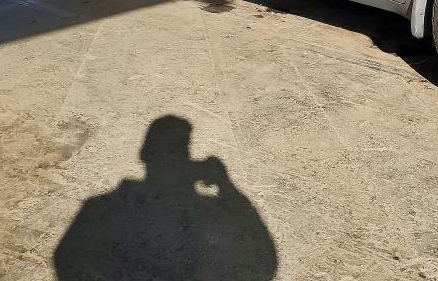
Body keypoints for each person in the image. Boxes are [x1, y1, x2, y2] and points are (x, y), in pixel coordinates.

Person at [54, 115, 277, 280]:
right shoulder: (209, 214)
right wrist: (227, 186)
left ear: (143, 155)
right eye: (182, 149)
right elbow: (264, 263)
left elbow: (66, 262)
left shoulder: (99, 209)